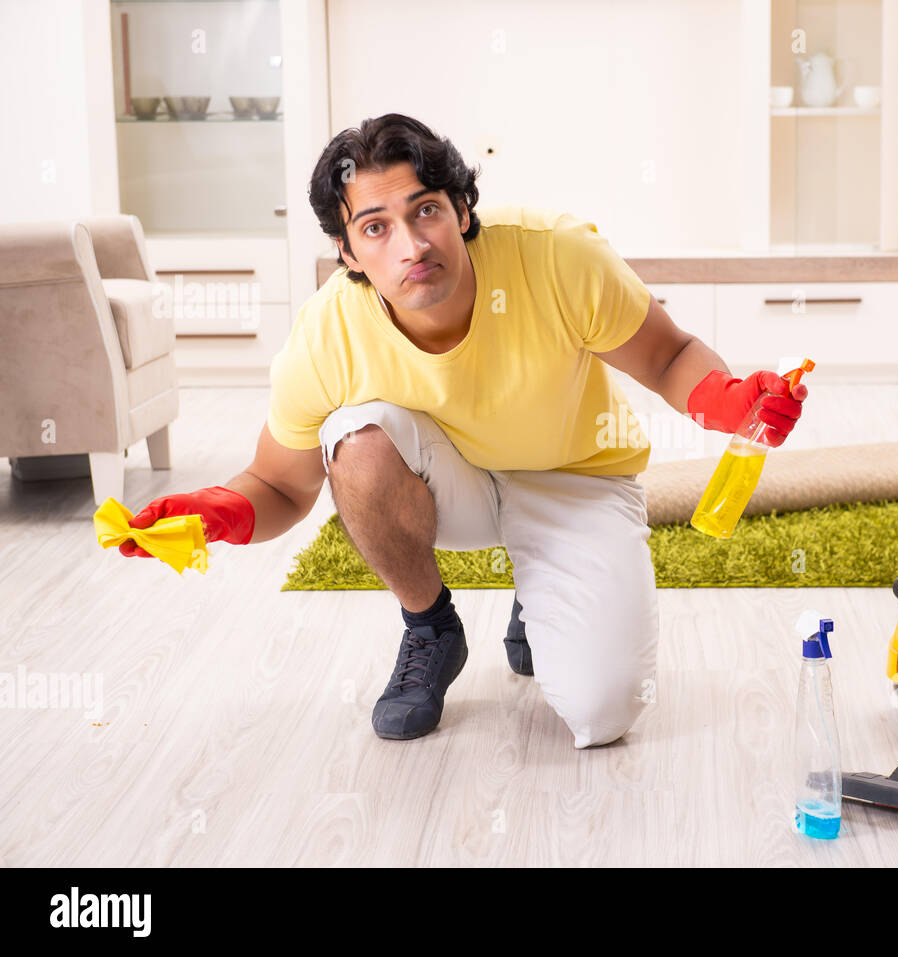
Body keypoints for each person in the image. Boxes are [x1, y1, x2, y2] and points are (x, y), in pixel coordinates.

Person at [120, 113, 809, 748]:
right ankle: (430, 626)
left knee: (604, 711)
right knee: (353, 437)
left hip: (572, 477)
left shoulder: (555, 254)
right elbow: (281, 482)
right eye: (376, 227)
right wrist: (222, 512)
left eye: (426, 210)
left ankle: (535, 589)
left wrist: (727, 399)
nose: (412, 245)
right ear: (348, 251)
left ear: (462, 209)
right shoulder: (328, 331)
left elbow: (665, 355)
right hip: (450, 487)